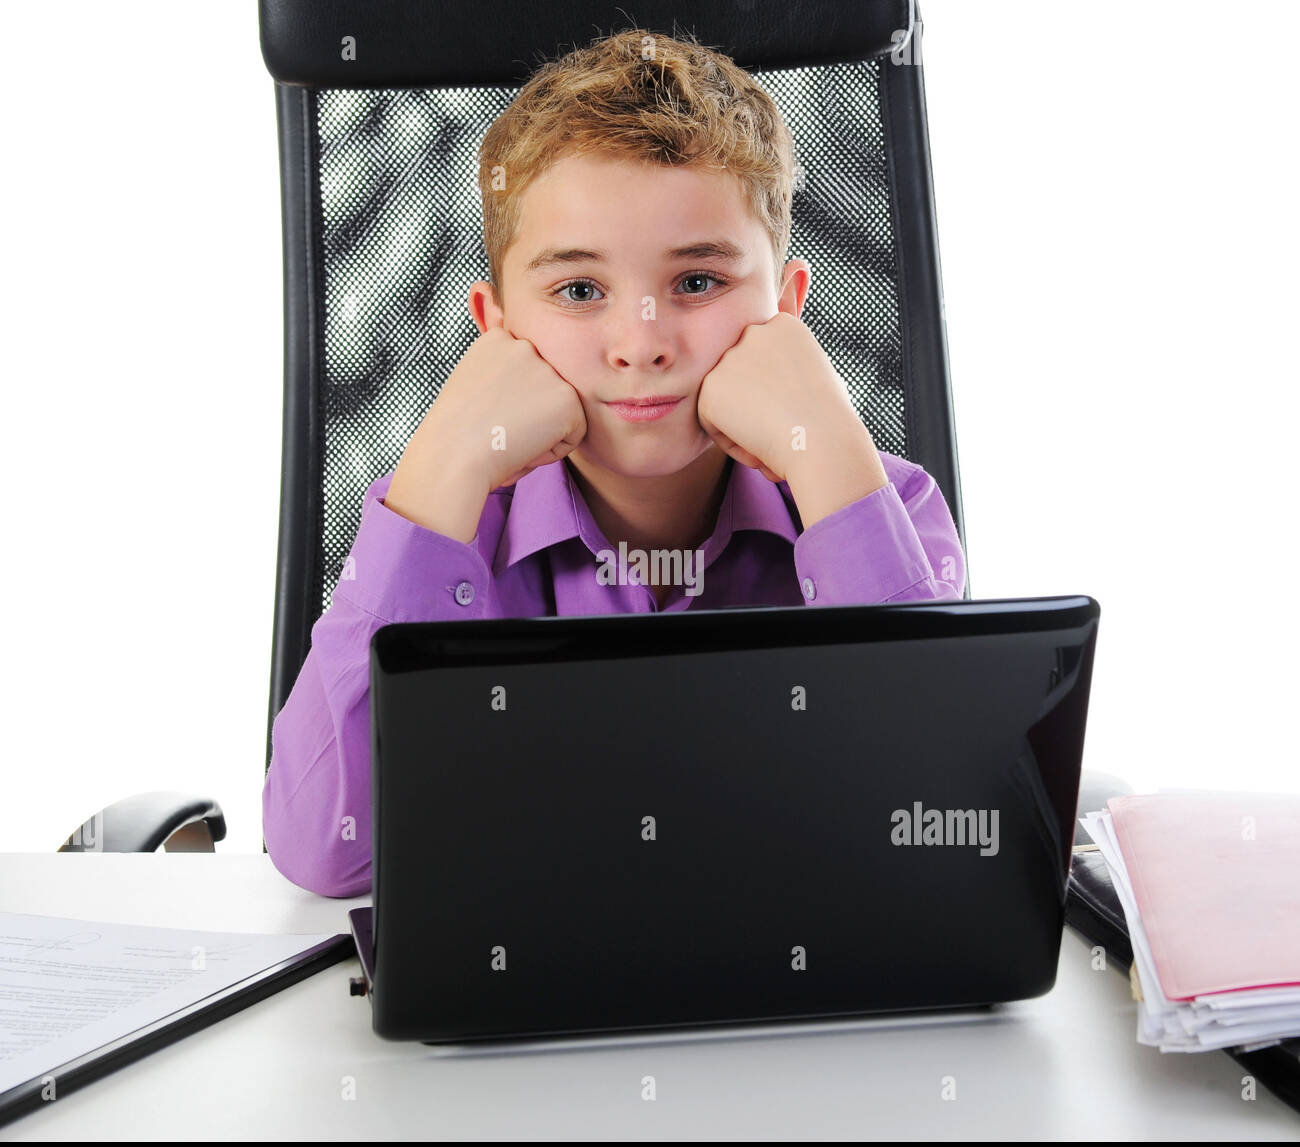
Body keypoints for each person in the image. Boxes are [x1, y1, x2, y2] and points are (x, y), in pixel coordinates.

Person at [263, 27, 967, 897]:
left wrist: (824, 447)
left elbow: (941, 819)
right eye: (580, 291)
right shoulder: (442, 526)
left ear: (786, 307)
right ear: (498, 326)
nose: (642, 343)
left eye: (698, 282)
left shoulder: (879, 503)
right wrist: (444, 458)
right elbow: (326, 854)